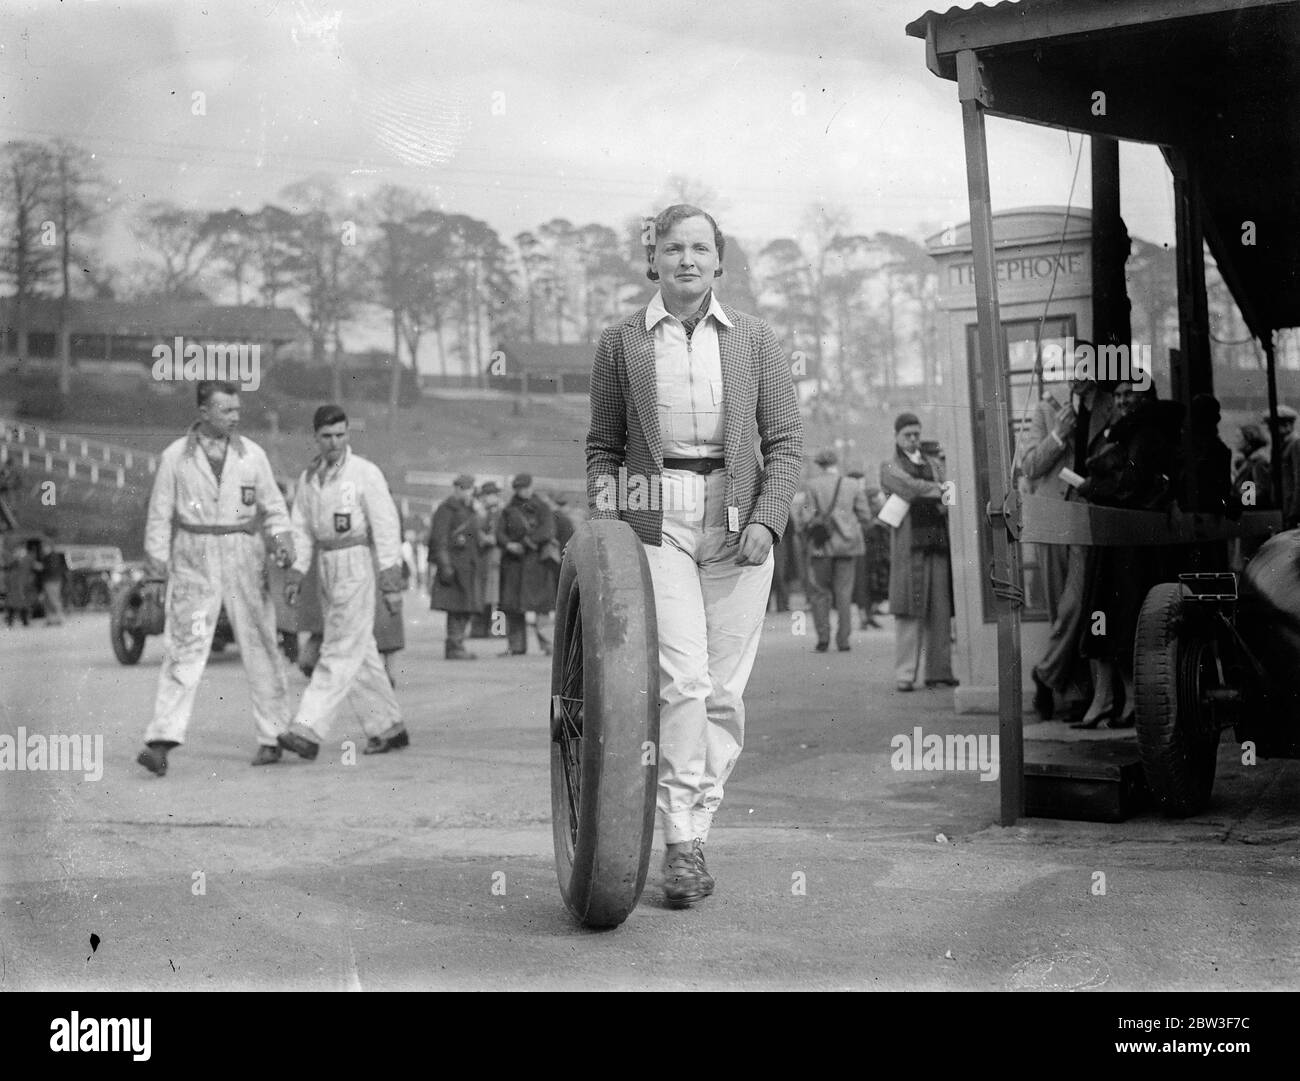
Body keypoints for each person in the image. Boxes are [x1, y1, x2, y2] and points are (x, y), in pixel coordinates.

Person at [586, 202, 803, 907]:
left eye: (700, 248)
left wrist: (769, 518)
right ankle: (679, 842)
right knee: (682, 678)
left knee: (723, 691)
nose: (686, 259)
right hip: (658, 519)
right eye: (673, 247)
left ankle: (698, 824)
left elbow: (787, 445)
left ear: (719, 260)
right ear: (653, 261)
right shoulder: (622, 343)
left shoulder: (756, 342)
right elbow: (603, 449)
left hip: (738, 516)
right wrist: (611, 525)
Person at [136, 380, 296, 777]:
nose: (235, 416)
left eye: (237, 410)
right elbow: (159, 516)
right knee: (184, 647)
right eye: (226, 410)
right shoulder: (175, 457)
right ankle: (160, 741)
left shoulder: (252, 455)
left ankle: (274, 736)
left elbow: (274, 508)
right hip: (194, 557)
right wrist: (156, 574)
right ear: (203, 412)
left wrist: (282, 540)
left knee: (260, 644)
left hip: (244, 555)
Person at [277, 404, 407, 760]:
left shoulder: (365, 473)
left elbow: (386, 527)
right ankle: (387, 726)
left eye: (340, 435)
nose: (334, 443)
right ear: (316, 437)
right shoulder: (309, 478)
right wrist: (295, 574)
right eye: (326, 436)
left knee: (337, 649)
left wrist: (390, 583)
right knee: (359, 652)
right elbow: (300, 530)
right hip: (326, 567)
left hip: (357, 564)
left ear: (348, 435)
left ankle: (307, 728)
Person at [1074, 377, 1184, 728]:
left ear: (1145, 398)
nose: (1122, 401)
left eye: (1129, 395)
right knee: (1113, 618)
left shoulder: (1144, 433)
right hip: (1124, 540)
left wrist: (1093, 486)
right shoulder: (1137, 430)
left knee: (1120, 618)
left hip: (1130, 544)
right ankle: (1120, 700)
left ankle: (1128, 701)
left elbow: (1131, 486)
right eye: (1119, 395)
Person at [1027, 355, 1117, 721]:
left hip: (1089, 515)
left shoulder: (1109, 406)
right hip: (1053, 517)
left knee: (1078, 604)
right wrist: (1057, 435)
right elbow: (1030, 464)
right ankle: (1077, 693)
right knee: (1059, 608)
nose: (1077, 378)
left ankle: (1045, 673)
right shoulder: (1048, 409)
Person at [880, 413, 956, 692]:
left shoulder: (933, 463)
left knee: (940, 609)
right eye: (907, 435)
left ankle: (939, 671)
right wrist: (937, 489)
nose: (913, 439)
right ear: (897, 437)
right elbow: (908, 488)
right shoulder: (888, 466)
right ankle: (905, 674)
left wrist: (932, 491)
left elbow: (944, 492)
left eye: (916, 434)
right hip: (908, 545)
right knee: (909, 611)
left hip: (936, 541)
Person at [794, 448, 874, 652]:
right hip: (848, 546)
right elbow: (865, 516)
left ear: (819, 465)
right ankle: (844, 640)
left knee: (820, 593)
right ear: (836, 463)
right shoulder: (853, 485)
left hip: (821, 546)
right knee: (844, 593)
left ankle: (823, 638)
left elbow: (805, 518)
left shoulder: (812, 485)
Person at [496, 473, 558, 656]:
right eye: (520, 488)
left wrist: (525, 543)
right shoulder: (508, 509)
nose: (523, 491)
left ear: (531, 487)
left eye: (526, 487)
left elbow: (548, 530)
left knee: (543, 608)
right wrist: (508, 544)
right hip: (515, 563)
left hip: (537, 562)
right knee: (512, 607)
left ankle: (548, 645)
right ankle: (516, 646)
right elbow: (499, 532)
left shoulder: (543, 508)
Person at [429, 473, 485, 660]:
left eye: (470, 489)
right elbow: (439, 539)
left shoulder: (469, 510)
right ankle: (454, 646)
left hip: (468, 566)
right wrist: (445, 566)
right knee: (456, 609)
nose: (469, 493)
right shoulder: (446, 509)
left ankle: (457, 644)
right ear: (458, 489)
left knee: (465, 608)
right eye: (466, 489)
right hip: (454, 566)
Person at [470, 481, 503, 638]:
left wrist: (485, 537)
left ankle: (498, 630)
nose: (483, 499)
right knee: (489, 595)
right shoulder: (489, 512)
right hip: (488, 558)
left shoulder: (500, 512)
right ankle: (487, 630)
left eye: (486, 495)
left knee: (496, 596)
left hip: (497, 557)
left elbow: (498, 535)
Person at [35, 538, 69, 626]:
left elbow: (52, 569)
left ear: (49, 547)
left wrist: (42, 567)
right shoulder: (47, 557)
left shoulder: (52, 556)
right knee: (48, 601)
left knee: (54, 599)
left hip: (52, 581)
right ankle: (51, 619)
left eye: (45, 547)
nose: (43, 549)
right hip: (49, 580)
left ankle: (60, 617)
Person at [4, 540, 37, 627]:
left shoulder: (27, 558)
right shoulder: (14, 559)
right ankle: (11, 621)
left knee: (23, 602)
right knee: (13, 602)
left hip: (22, 584)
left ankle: (24, 621)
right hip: (14, 584)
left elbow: (33, 568)